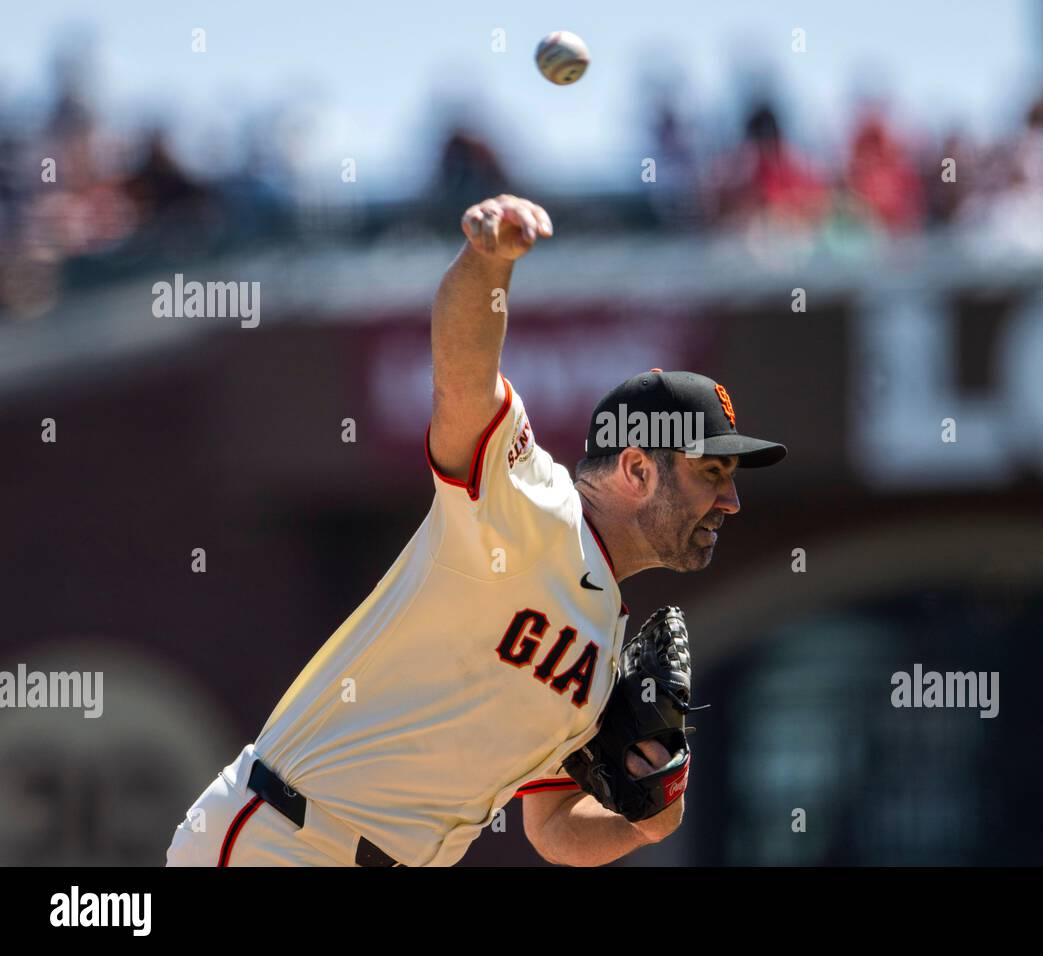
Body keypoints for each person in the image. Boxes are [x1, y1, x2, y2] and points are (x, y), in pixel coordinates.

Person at [165, 194, 785, 867]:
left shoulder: (606, 641)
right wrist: (488, 263)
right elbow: (464, 381)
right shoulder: (530, 507)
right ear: (636, 467)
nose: (730, 500)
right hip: (284, 838)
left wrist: (648, 821)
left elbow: (552, 830)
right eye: (711, 472)